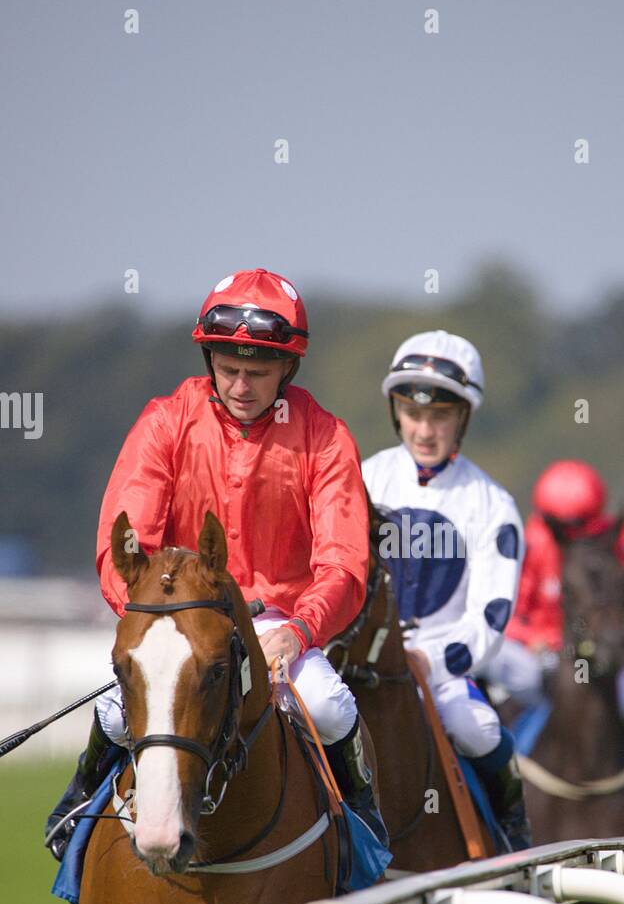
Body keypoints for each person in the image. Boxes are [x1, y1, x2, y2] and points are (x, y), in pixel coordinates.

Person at [45, 268, 384, 860]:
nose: (242, 385)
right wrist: (154, 620)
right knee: (117, 713)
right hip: (180, 615)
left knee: (331, 708)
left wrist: (300, 632)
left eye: (258, 372)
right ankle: (76, 811)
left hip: (279, 624)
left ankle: (363, 833)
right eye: (229, 369)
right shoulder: (165, 421)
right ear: (210, 361)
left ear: (289, 370)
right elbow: (122, 546)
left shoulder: (326, 438)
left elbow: (344, 565)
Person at [362, 329, 531, 851]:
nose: (425, 430)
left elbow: (491, 616)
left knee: (477, 726)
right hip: (363, 657)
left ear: (463, 418)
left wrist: (429, 662)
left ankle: (512, 829)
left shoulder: (492, 503)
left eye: (440, 416)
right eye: (413, 414)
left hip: (441, 669)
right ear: (396, 411)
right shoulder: (362, 480)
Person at [485, 459, 624, 813]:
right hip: (535, 653)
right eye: (558, 525)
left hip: (605, 656)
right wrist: (534, 639)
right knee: (495, 694)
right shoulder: (523, 544)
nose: (570, 536)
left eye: (579, 524)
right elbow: (500, 612)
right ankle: (492, 796)